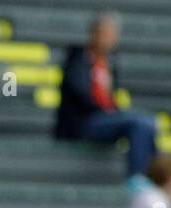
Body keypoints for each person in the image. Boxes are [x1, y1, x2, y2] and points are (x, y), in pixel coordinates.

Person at [54, 12, 157, 179]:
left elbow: (111, 97)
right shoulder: (79, 59)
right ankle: (137, 178)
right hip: (85, 121)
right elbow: (80, 93)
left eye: (112, 35)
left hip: (105, 118)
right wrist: (111, 112)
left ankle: (153, 176)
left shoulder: (110, 63)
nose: (108, 40)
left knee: (149, 123)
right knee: (139, 123)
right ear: (93, 33)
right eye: (104, 34)